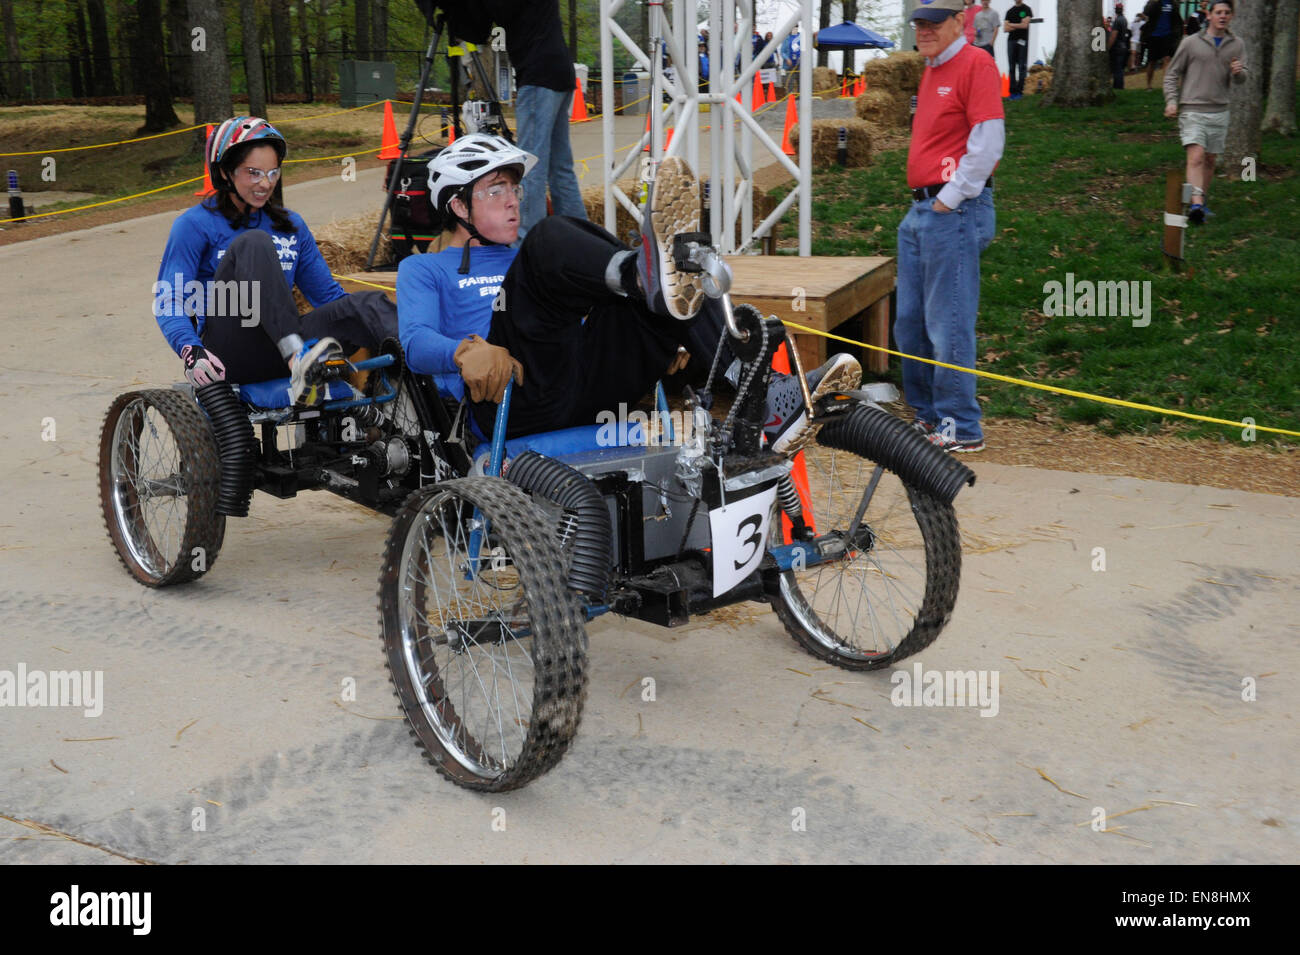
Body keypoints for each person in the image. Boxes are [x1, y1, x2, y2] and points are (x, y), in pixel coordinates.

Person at [397, 134, 861, 451]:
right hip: (511, 397)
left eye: (515, 187)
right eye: (496, 189)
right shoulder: (425, 268)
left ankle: (762, 396)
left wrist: (665, 334)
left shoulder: (535, 261)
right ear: (458, 205)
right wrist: (462, 352)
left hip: (587, 383)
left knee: (669, 274)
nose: (514, 199)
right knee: (552, 240)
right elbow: (414, 342)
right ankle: (647, 280)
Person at [153, 116, 398, 406]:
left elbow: (328, 297)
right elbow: (169, 298)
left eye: (273, 172)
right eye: (253, 172)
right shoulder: (195, 224)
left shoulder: (291, 226)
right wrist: (190, 349)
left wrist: (357, 321)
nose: (265, 183)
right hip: (231, 348)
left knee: (366, 306)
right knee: (254, 243)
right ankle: (298, 357)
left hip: (287, 349)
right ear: (225, 172)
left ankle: (429, 383)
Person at [896, 0, 1003, 453]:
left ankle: (960, 424)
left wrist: (950, 198)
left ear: (961, 21)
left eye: (934, 23)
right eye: (919, 23)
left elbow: (988, 141)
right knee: (910, 322)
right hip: (925, 209)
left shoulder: (975, 63)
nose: (924, 30)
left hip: (951, 209)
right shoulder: (933, 68)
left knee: (948, 322)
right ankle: (929, 417)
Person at [482, 1, 587, 239]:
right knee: (560, 167)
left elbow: (490, 16)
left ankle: (527, 242)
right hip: (560, 71)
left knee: (529, 167)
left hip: (538, 75)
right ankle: (581, 238)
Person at [1163, 0, 1247, 223]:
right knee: (1197, 156)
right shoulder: (1191, 43)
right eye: (1218, 12)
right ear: (1208, 15)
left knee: (1210, 160)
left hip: (1220, 110)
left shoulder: (1237, 44)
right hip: (1192, 109)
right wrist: (1172, 101)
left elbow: (1241, 78)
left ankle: (1201, 201)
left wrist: (1239, 72)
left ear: (1231, 16)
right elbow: (1172, 74)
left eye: (1227, 13)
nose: (1223, 16)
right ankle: (1196, 204)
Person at [1141, 0, 1183, 89]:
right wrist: (1153, 2)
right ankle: (1148, 85)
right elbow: (1146, 12)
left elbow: (1177, 19)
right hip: (1154, 36)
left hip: (1167, 36)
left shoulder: (1173, 3)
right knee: (1152, 61)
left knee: (1167, 59)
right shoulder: (1154, 2)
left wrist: (1177, 34)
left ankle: (1166, 86)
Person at [1003, 0, 1033, 99]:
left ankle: (1020, 91)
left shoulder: (1027, 9)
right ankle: (1012, 92)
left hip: (1022, 41)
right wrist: (1018, 24)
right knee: (1011, 67)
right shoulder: (1009, 11)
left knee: (1021, 66)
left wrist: (1011, 24)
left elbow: (1025, 25)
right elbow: (1005, 29)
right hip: (1011, 41)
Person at [1109, 3, 1131, 89]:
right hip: (1123, 46)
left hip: (1117, 48)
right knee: (1120, 69)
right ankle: (1120, 87)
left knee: (1117, 69)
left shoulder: (1117, 20)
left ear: (1115, 10)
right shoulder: (1124, 19)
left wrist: (1108, 47)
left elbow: (1114, 35)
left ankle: (1117, 87)